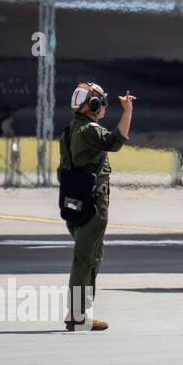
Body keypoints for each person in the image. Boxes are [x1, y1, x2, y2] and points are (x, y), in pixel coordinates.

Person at [60, 82, 135, 331]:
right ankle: (79, 315)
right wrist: (127, 112)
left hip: (74, 201)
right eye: (101, 102)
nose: (104, 106)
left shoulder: (70, 130)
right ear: (92, 106)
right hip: (94, 202)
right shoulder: (90, 131)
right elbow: (116, 141)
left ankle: (80, 312)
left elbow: (63, 170)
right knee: (86, 257)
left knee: (91, 255)